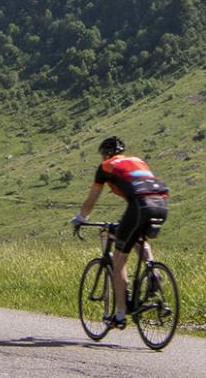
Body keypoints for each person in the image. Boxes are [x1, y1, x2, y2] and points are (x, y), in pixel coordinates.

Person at [70, 136, 169, 328]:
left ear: (105, 154)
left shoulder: (106, 166)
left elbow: (91, 200)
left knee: (118, 259)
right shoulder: (137, 160)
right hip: (161, 204)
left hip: (140, 205)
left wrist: (81, 218)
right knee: (139, 239)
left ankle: (120, 315)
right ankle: (152, 270)